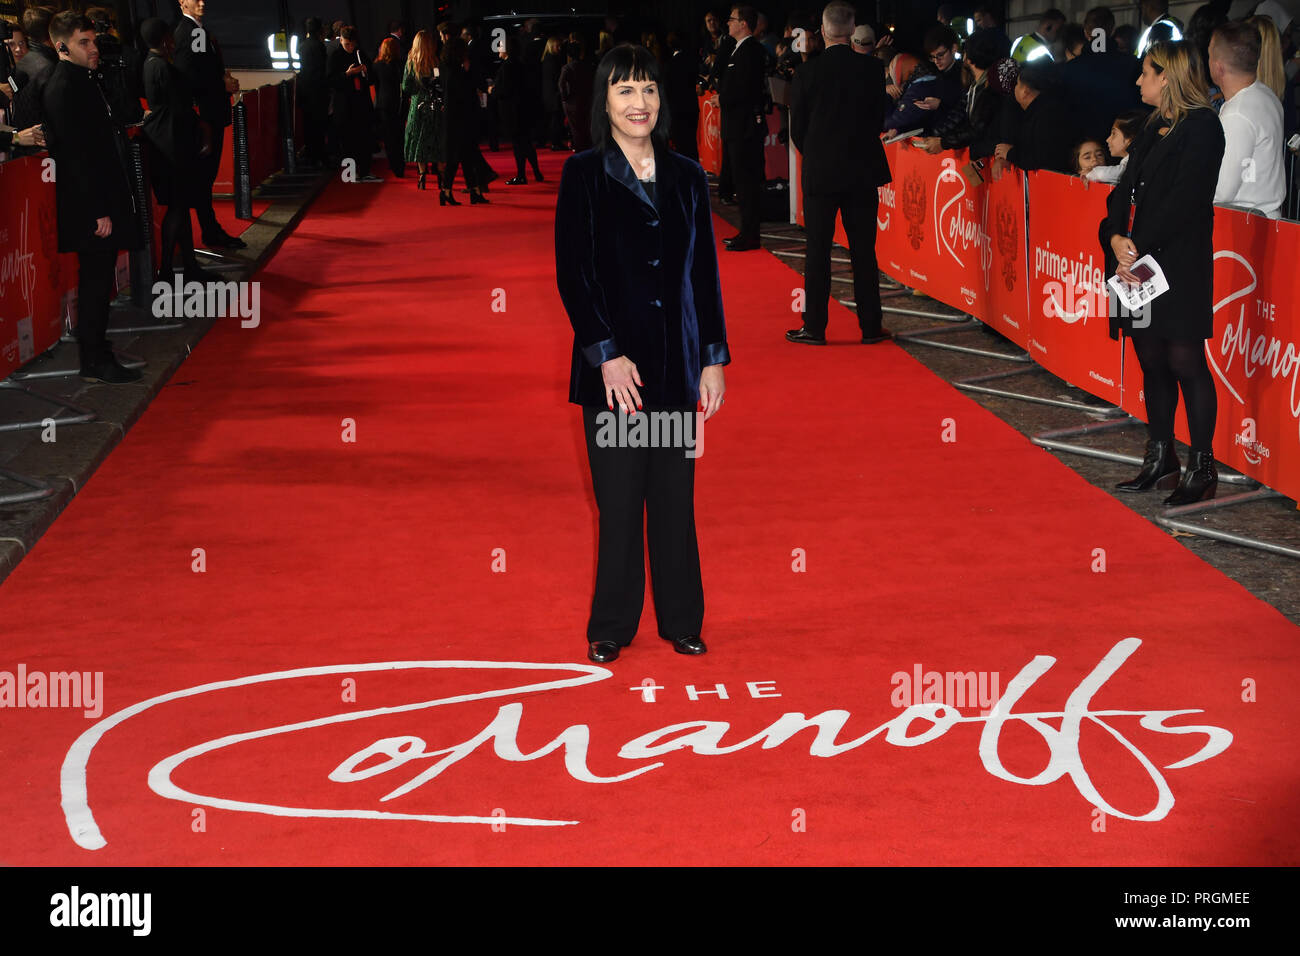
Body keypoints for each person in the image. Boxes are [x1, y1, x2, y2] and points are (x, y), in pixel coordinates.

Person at [554, 43, 730, 664]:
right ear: (604, 100)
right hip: (614, 377)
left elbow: (704, 273)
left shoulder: (685, 175)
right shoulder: (583, 173)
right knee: (621, 503)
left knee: (675, 504)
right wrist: (606, 353)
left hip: (676, 366)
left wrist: (712, 358)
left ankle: (683, 619)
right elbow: (575, 276)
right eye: (625, 90)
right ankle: (611, 624)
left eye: (649, 90)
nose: (640, 103)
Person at [1099, 40, 1225, 505]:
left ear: (1167, 76)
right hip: (1137, 262)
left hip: (1176, 264)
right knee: (1150, 356)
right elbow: (1122, 189)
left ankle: (1203, 465)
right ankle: (1161, 456)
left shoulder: (1204, 128)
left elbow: (1187, 201)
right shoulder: (1154, 126)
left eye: (1145, 73)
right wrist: (1114, 238)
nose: (1138, 81)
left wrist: (1136, 248)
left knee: (1185, 360)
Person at [41, 13, 142, 385]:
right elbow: (75, 157)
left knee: (100, 282)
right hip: (91, 205)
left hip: (101, 197)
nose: (94, 48)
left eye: (94, 40)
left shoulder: (84, 80)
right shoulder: (65, 87)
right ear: (61, 46)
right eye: (84, 42)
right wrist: (98, 211)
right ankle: (95, 359)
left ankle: (98, 354)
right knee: (96, 282)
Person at [788, 0, 892, 347]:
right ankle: (871, 326)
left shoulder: (806, 73)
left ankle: (815, 327)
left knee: (817, 250)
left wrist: (817, 153)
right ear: (852, 30)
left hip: (821, 172)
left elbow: (797, 129)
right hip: (862, 170)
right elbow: (878, 121)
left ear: (822, 28)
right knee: (864, 250)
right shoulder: (873, 71)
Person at [139, 17, 214, 284]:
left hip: (165, 142)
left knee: (179, 207)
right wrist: (202, 130)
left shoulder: (149, 64)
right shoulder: (162, 67)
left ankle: (186, 265)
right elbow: (181, 107)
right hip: (172, 145)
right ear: (166, 40)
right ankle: (169, 269)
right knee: (178, 207)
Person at [173, 0, 246, 249]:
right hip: (204, 116)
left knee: (205, 178)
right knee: (203, 178)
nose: (202, 3)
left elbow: (203, 69)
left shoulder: (198, 31)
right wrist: (220, 83)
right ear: (182, 2)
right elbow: (190, 75)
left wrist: (222, 78)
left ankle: (210, 229)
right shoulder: (191, 31)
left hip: (209, 113)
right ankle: (209, 231)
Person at [1210, 20, 1285, 218]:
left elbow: (1221, 191)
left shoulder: (1237, 114)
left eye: (1209, 54)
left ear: (1219, 67)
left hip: (1244, 226)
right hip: (1261, 218)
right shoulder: (1267, 95)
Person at [718, 5, 768, 251]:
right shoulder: (739, 50)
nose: (728, 23)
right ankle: (747, 232)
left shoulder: (750, 51)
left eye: (732, 19)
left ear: (743, 24)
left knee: (746, 183)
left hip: (744, 128)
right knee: (742, 182)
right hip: (737, 126)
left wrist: (722, 98)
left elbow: (744, 89)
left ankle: (750, 234)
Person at [995, 62, 1075, 173]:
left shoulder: (1047, 115)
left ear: (1025, 91)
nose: (1015, 89)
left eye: (1017, 84)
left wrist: (1010, 153)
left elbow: (1041, 157)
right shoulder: (1036, 112)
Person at [327, 26, 381, 183]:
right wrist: (347, 74)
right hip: (344, 105)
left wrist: (365, 70)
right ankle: (350, 173)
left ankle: (365, 171)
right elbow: (330, 81)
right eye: (346, 44)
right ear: (341, 40)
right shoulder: (335, 56)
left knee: (364, 138)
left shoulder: (360, 54)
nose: (350, 48)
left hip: (361, 103)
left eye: (352, 44)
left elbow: (372, 79)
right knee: (347, 140)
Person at [441, 36, 489, 204]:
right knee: (459, 157)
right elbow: (464, 94)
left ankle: (470, 191)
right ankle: (447, 192)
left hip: (455, 119)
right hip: (460, 119)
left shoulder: (450, 69)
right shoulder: (457, 71)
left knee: (464, 157)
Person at [494, 35, 542, 184]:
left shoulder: (507, 66)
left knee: (519, 144)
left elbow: (505, 89)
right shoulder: (519, 64)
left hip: (512, 111)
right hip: (522, 108)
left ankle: (522, 174)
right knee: (525, 142)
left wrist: (493, 91)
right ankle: (535, 172)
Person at [402, 30, 445, 194]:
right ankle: (441, 175)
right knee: (436, 139)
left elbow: (406, 86)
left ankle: (422, 175)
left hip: (417, 104)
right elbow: (439, 83)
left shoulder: (411, 62)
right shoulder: (436, 61)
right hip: (434, 104)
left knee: (419, 139)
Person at [373, 37, 406, 178]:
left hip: (383, 103)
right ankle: (400, 163)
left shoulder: (377, 65)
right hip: (398, 103)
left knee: (389, 136)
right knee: (399, 134)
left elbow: (375, 84)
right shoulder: (400, 64)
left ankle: (394, 164)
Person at [298, 18, 328, 168]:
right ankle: (320, 156)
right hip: (318, 91)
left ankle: (311, 155)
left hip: (305, 90)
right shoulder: (319, 46)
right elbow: (323, 70)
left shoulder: (302, 46)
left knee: (309, 125)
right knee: (320, 125)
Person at [1086, 108, 1146, 183]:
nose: (1107, 140)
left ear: (1130, 139)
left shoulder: (1137, 163)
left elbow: (1122, 173)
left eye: (1114, 134)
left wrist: (1092, 173)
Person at [559, 38, 596, 152]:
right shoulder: (588, 66)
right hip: (586, 100)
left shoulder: (567, 68)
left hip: (573, 101)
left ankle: (580, 149)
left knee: (576, 128)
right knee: (586, 126)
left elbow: (561, 84)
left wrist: (565, 98)